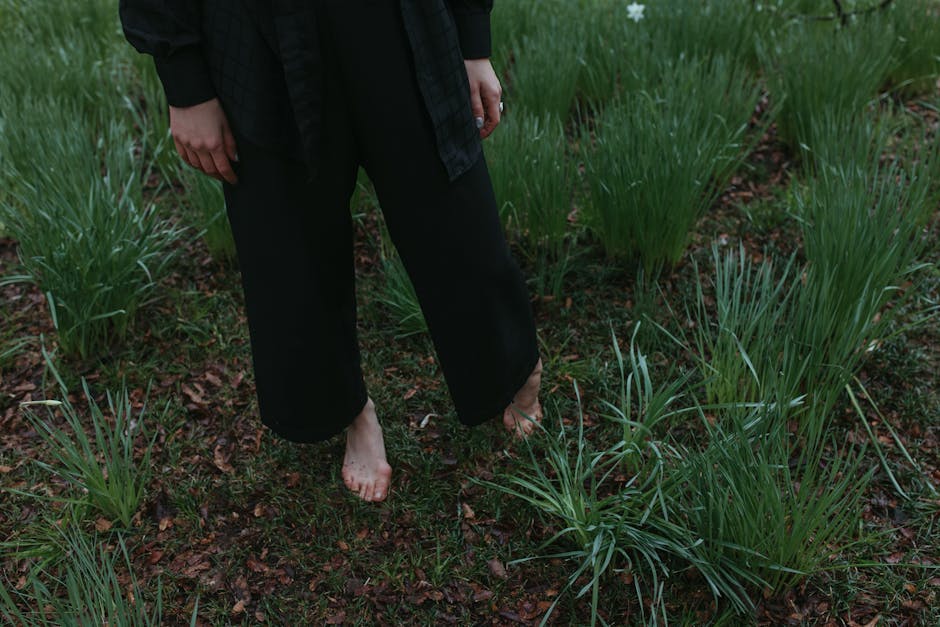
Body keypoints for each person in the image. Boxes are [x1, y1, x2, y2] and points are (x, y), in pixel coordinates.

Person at [119, 0, 543, 503]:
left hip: (399, 15)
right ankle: (350, 411)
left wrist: (472, 40)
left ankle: (511, 365)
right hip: (252, 33)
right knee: (289, 239)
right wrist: (185, 82)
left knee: (452, 205)